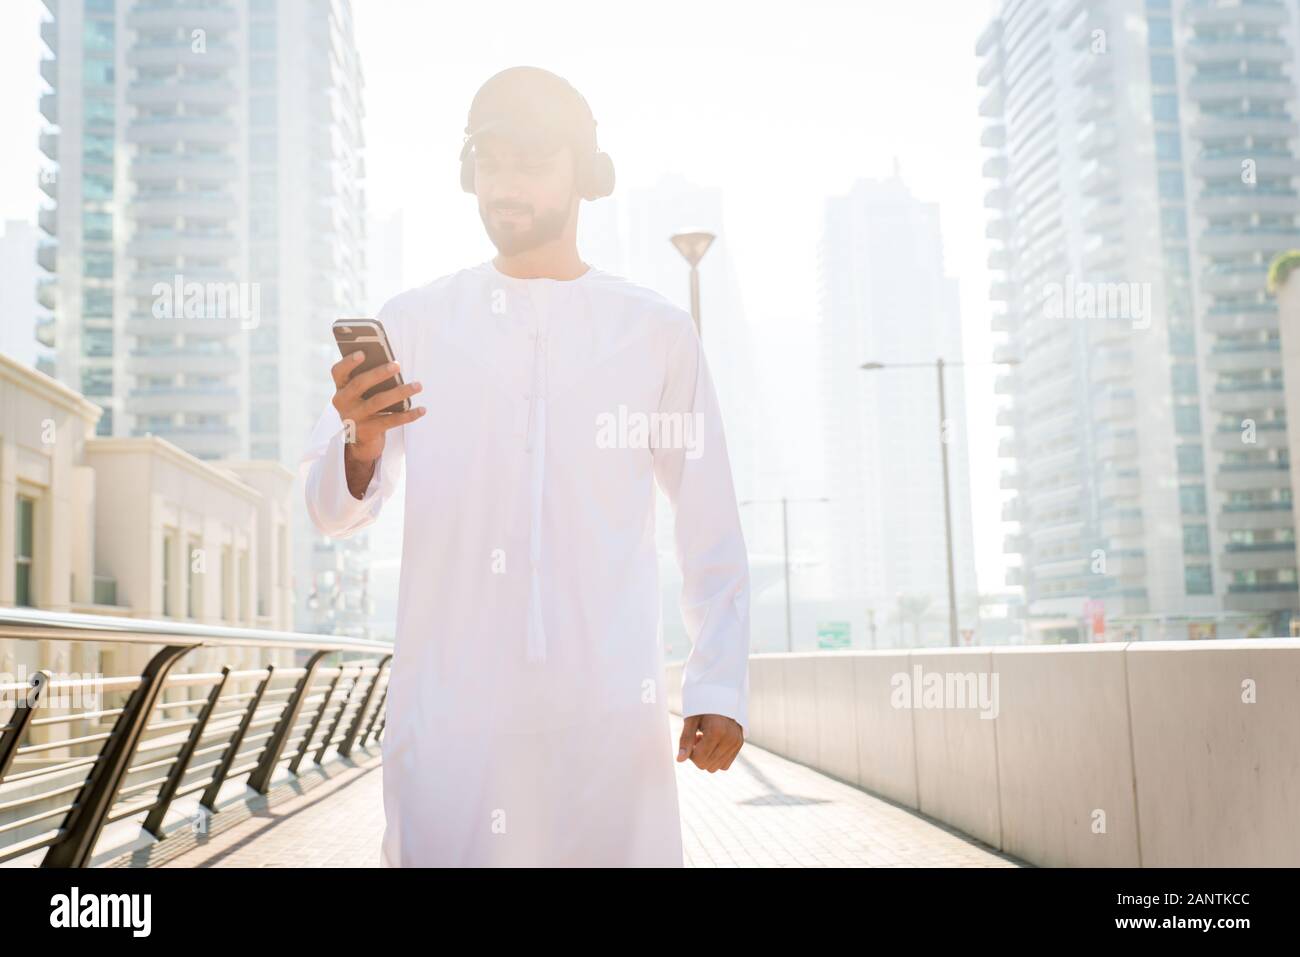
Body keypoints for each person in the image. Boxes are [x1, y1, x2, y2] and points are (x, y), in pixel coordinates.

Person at [299, 65, 751, 866]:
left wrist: (715, 686)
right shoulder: (413, 321)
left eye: (533, 160)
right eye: (491, 160)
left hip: (611, 721)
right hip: (448, 728)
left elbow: (708, 521)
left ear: (584, 174)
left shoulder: (655, 333)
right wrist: (361, 444)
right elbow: (331, 511)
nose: (506, 182)